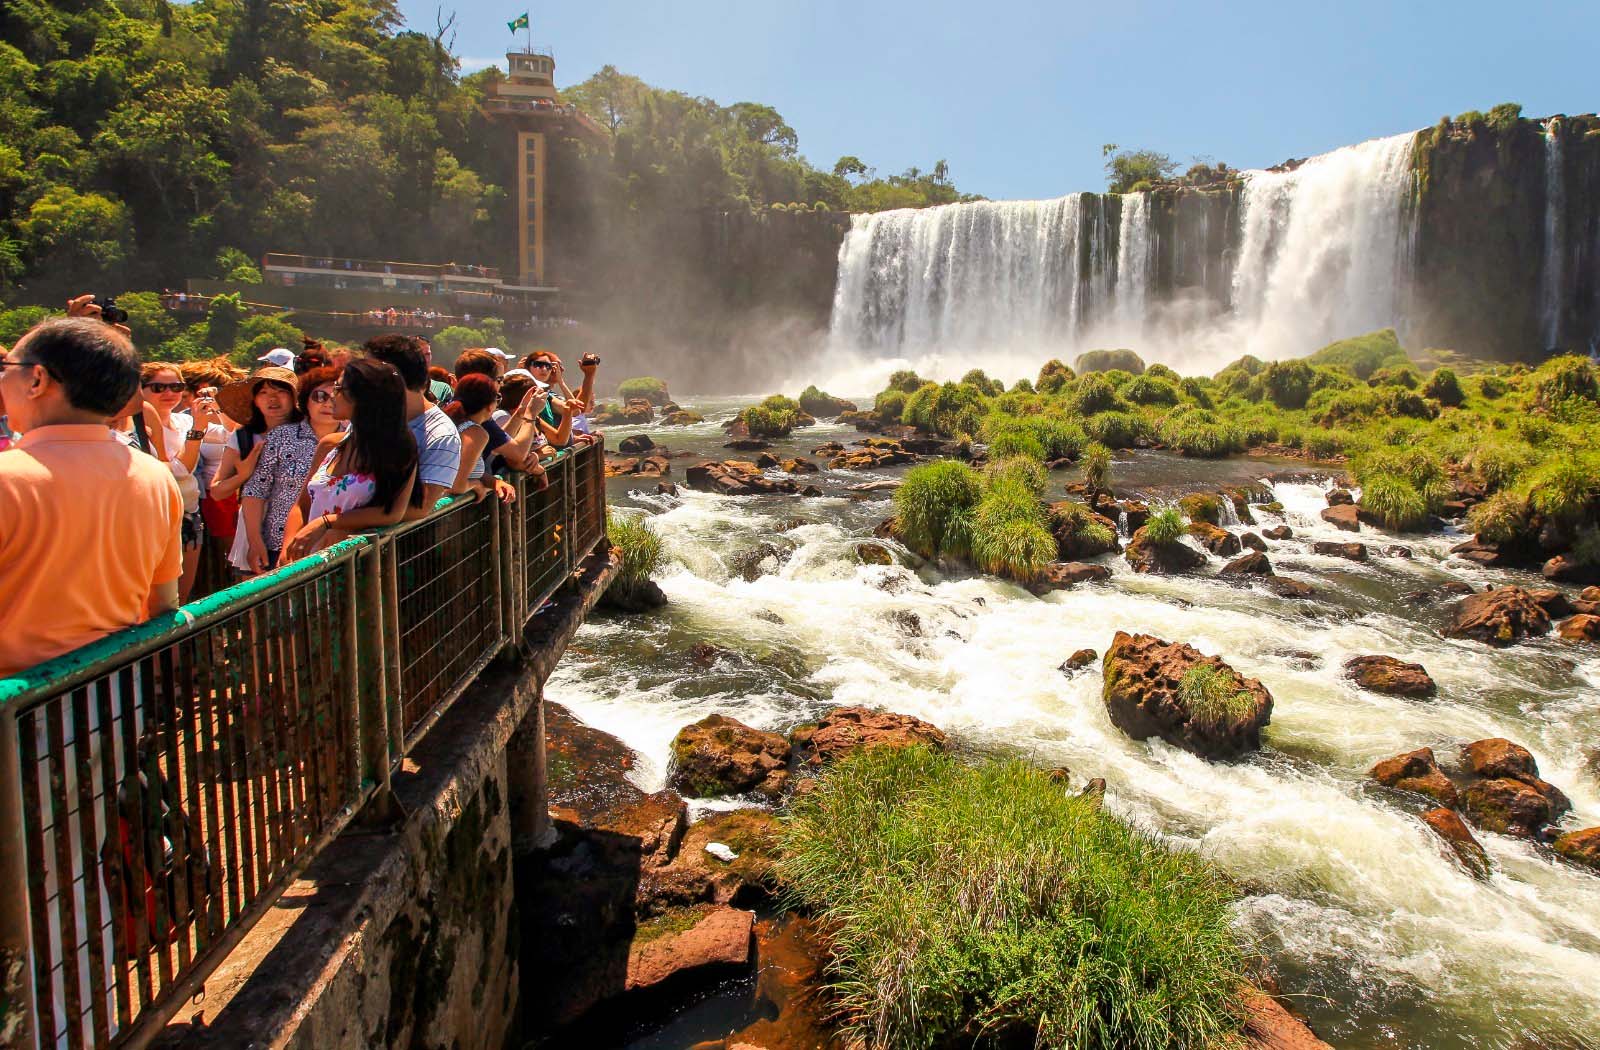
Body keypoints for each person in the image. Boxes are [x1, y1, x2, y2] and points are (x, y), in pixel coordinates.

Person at [0, 317, 185, 1048]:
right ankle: (86, 1024)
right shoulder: (152, 479)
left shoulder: (10, 481)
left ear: (41, 380)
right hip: (105, 706)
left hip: (15, 720)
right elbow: (162, 608)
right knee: (73, 875)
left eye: (11, 368)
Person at [280, 359, 418, 560]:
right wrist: (287, 548)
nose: (331, 396)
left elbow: (392, 512)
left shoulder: (398, 448)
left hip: (358, 567)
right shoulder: (329, 445)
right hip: (309, 565)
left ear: (364, 397)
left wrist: (327, 522)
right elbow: (302, 505)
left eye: (338, 388)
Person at [236, 366, 340, 573]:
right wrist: (255, 542)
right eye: (320, 396)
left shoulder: (355, 439)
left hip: (335, 546)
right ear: (304, 401)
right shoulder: (282, 436)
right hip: (278, 545)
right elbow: (256, 491)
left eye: (337, 395)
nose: (328, 403)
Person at [366, 334, 461, 519]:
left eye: (369, 373)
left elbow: (420, 507)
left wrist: (334, 522)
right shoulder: (368, 418)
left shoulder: (441, 435)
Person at [140, 362, 209, 600]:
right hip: (156, 520)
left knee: (182, 595)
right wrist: (198, 431)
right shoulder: (136, 430)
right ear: (141, 390)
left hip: (189, 515)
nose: (169, 394)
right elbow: (177, 470)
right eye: (158, 387)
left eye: (177, 386)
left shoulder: (184, 422)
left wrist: (218, 408)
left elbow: (228, 438)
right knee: (157, 599)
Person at [442, 374, 516, 501]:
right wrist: (476, 485)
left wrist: (495, 482)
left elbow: (467, 470)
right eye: (497, 398)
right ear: (489, 405)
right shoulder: (476, 434)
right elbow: (456, 486)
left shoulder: (455, 421)